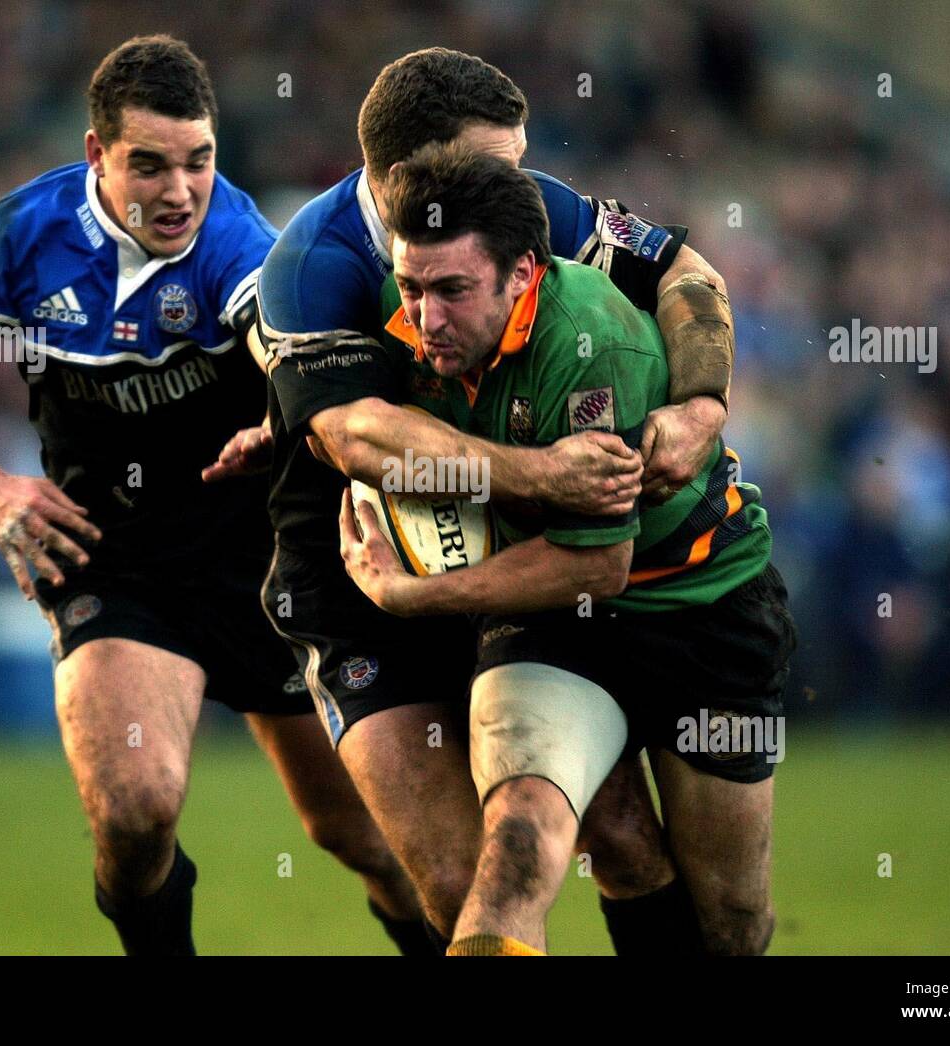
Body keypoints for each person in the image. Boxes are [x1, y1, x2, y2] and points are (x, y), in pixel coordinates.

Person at [0, 34, 428, 957]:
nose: (179, 190)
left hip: (267, 565)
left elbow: (289, 355)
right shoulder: (21, 238)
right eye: (151, 164)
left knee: (363, 836)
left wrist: (293, 419)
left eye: (199, 161)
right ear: (97, 155)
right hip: (117, 563)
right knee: (134, 815)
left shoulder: (239, 243)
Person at [211, 48, 736, 952]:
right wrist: (543, 474)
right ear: (412, 179)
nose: (523, 184)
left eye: (521, 160)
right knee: (455, 883)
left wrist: (699, 405)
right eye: (500, 165)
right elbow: (362, 442)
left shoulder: (515, 216)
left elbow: (688, 274)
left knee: (613, 831)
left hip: (507, 561)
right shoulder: (311, 263)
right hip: (358, 581)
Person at [340, 145, 797, 955]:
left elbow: (600, 563)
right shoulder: (402, 316)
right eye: (412, 288)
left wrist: (414, 598)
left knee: (732, 920)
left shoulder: (592, 348)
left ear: (522, 275)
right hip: (553, 615)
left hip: (702, 605)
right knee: (522, 835)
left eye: (451, 291)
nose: (425, 316)